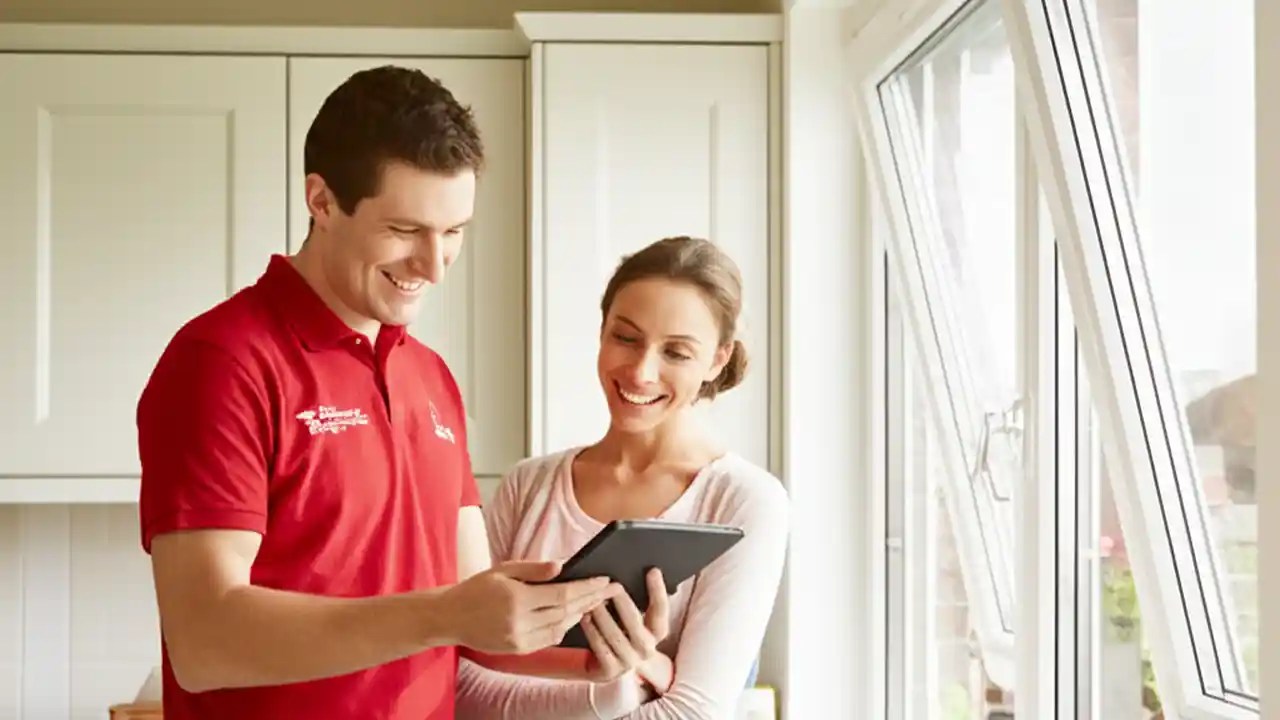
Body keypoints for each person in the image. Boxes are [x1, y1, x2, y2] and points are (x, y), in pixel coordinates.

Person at [135, 65, 622, 720]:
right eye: (405, 230)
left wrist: (590, 653)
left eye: (453, 234)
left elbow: (470, 612)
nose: (434, 266)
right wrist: (445, 613)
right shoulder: (223, 362)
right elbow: (205, 641)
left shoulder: (431, 377)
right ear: (323, 201)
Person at [455, 236, 791, 719]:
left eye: (676, 352)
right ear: (602, 330)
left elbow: (693, 713)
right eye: (625, 337)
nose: (641, 371)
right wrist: (625, 686)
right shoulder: (527, 486)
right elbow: (457, 676)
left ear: (717, 359)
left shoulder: (744, 501)